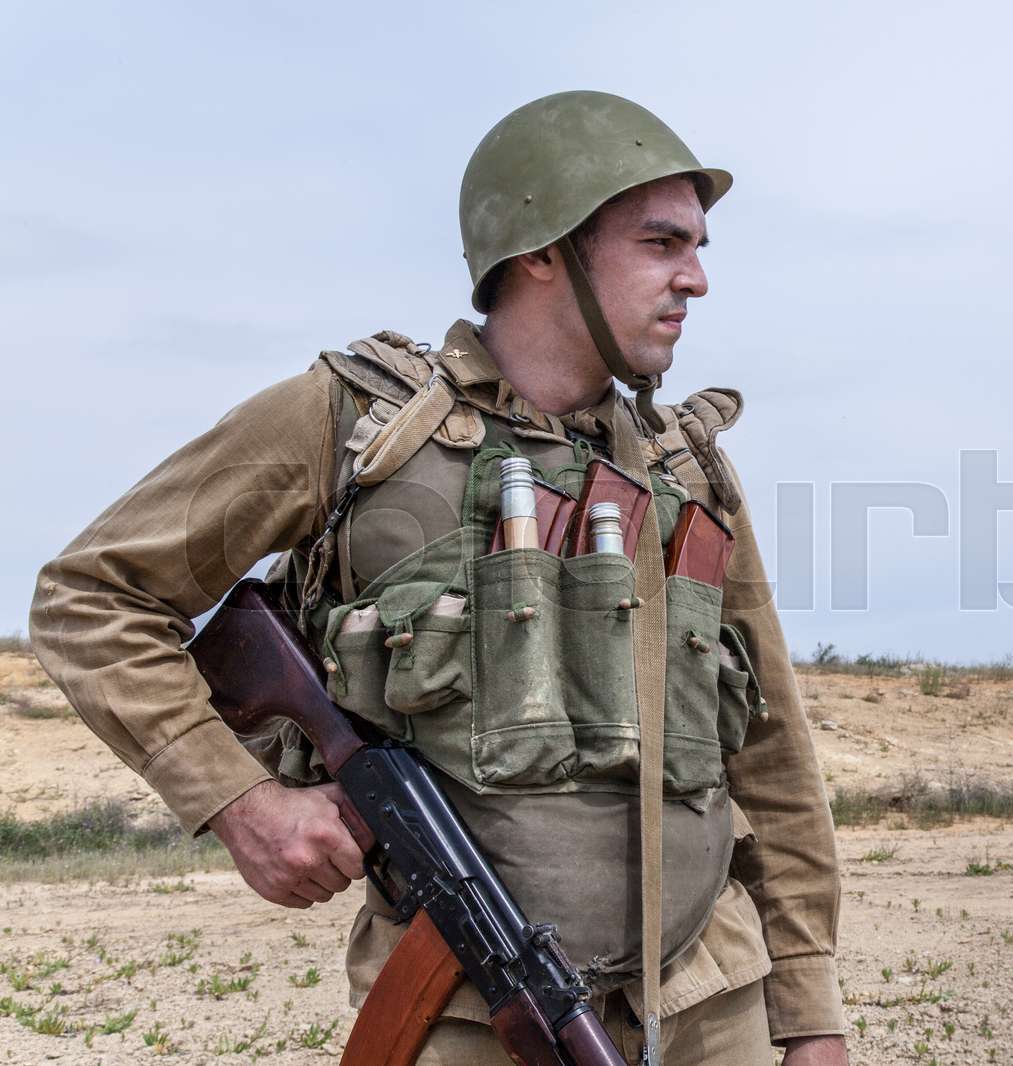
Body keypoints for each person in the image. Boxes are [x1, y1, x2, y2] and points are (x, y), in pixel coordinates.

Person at [30, 91, 848, 1066]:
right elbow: (92, 597)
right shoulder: (357, 424)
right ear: (543, 249)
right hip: (468, 1013)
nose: (697, 278)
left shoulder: (685, 469)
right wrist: (239, 800)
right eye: (661, 243)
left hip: (712, 1003)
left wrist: (811, 1008)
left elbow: (770, 751)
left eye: (697, 246)